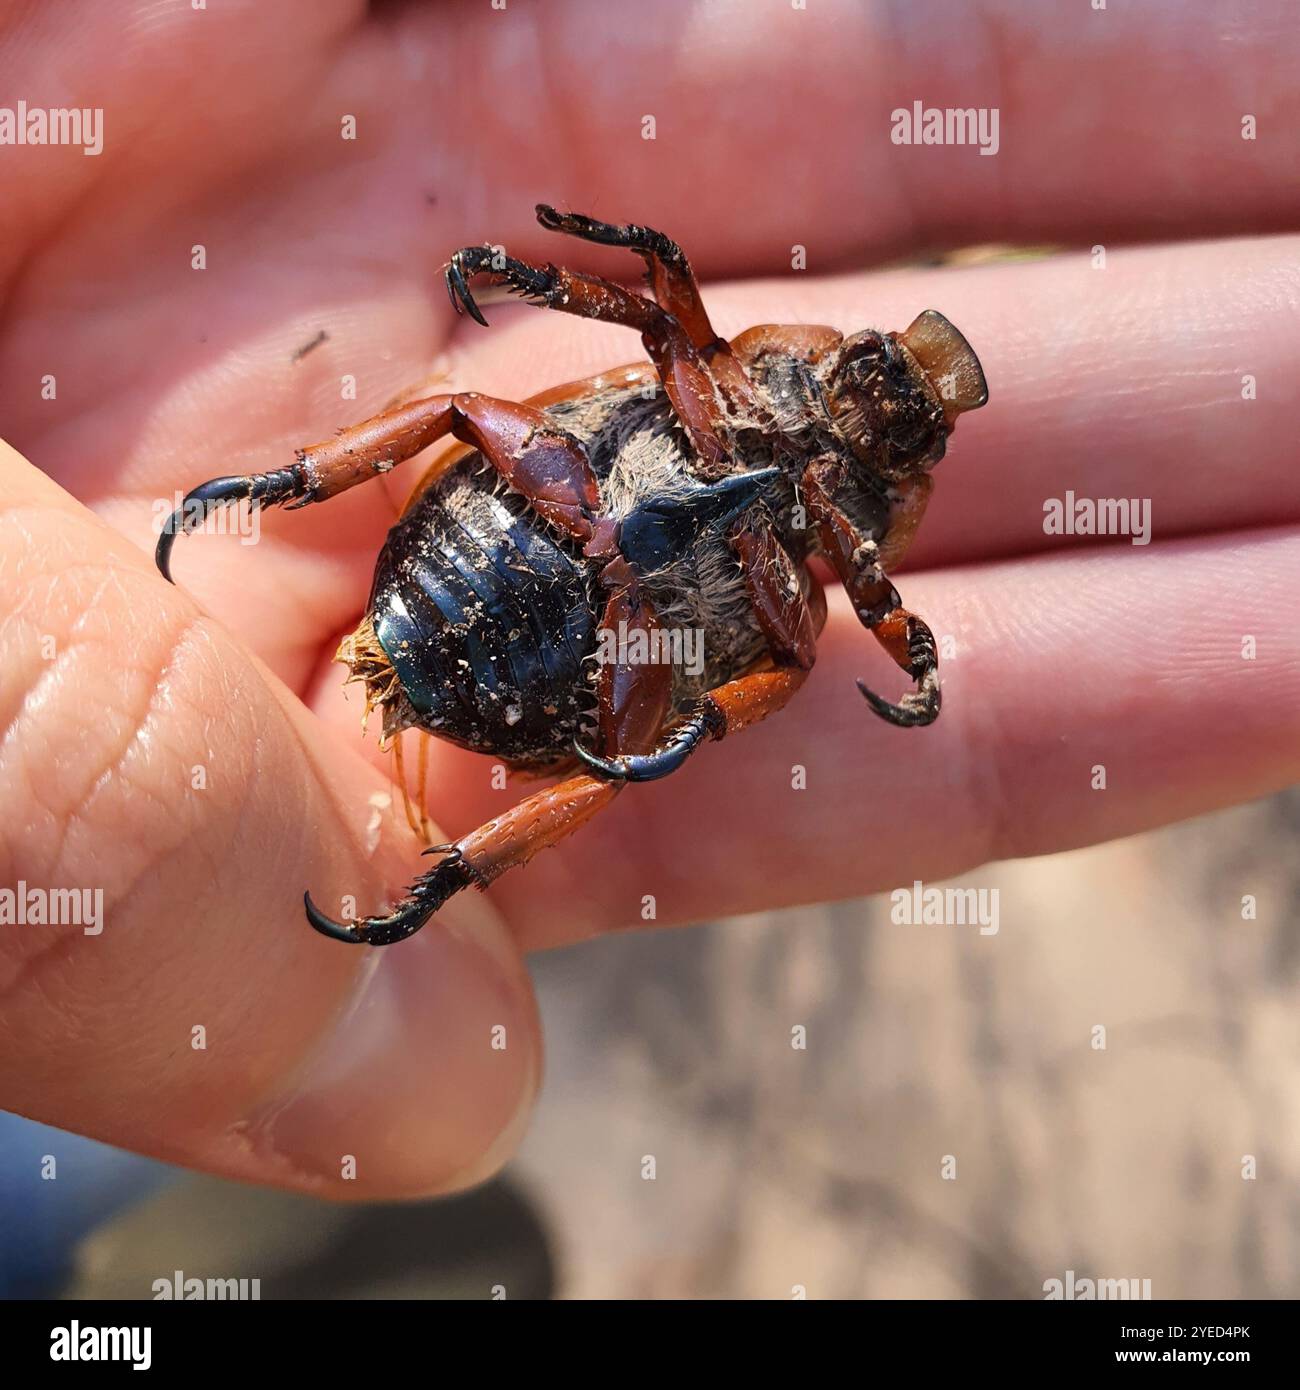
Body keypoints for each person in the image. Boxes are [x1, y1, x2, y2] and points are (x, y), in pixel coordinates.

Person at [0, 0, 1296, 1219]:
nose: (888, 399)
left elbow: (821, 629)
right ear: (841, 352)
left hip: (616, 646)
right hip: (523, 530)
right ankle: (286, 487)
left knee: (657, 737)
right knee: (480, 423)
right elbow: (673, 311)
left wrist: (894, 639)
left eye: (910, 413)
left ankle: (456, 861)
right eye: (878, 367)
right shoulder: (764, 384)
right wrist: (553, 277)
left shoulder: (851, 536)